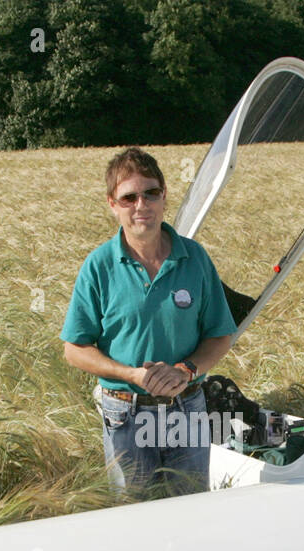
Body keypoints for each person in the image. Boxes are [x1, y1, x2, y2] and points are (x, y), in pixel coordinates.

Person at [60, 147, 235, 495]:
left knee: (191, 510)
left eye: (151, 193)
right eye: (129, 197)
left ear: (164, 196)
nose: (142, 205)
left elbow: (220, 336)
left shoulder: (194, 257)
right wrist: (131, 375)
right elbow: (74, 349)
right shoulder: (99, 266)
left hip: (188, 406)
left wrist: (186, 370)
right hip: (124, 412)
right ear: (112, 204)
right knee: (133, 519)